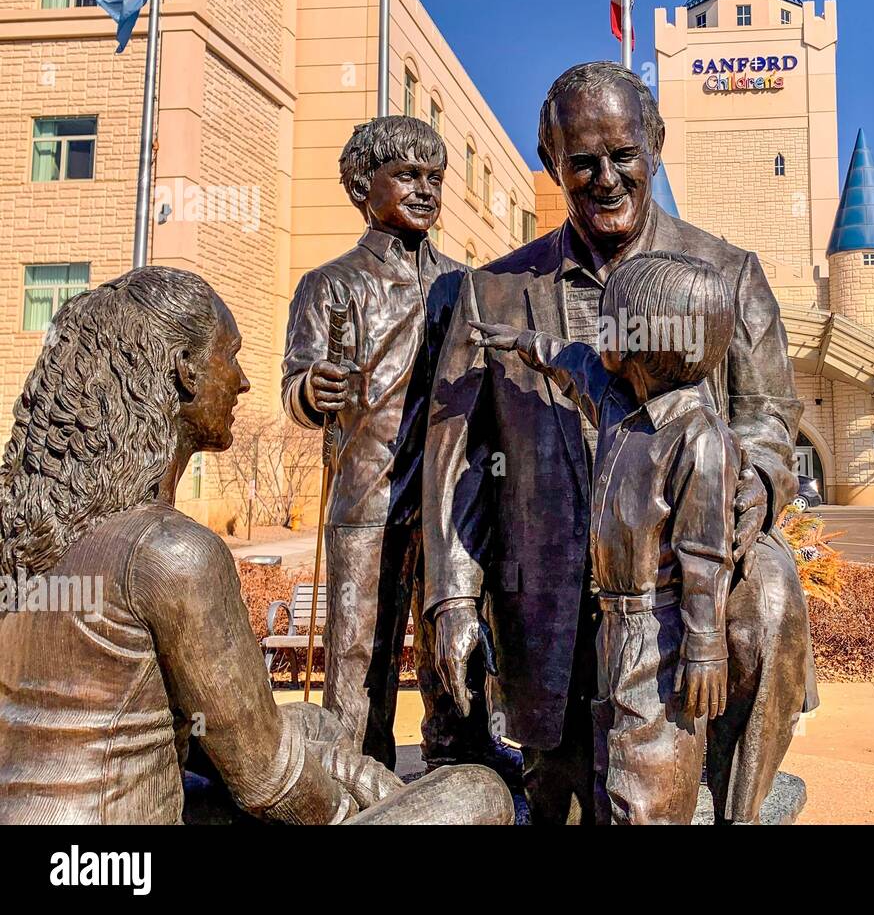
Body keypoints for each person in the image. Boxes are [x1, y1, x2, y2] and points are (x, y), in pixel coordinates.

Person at [425, 61, 818, 825]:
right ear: (552, 163)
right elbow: (456, 461)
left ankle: (733, 797)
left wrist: (754, 487)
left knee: (769, 592)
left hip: (687, 571)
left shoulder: (728, 274)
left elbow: (770, 416)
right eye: (581, 162)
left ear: (656, 143)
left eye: (624, 155)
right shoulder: (495, 292)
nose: (605, 178)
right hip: (550, 585)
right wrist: (451, 595)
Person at [0, 267, 511, 825]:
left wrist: (352, 773)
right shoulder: (170, 553)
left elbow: (201, 731)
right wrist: (372, 806)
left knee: (316, 726)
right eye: (230, 355)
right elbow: (269, 781)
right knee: (477, 793)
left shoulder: (32, 531)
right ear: (186, 372)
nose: (242, 381)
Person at [471, 252, 739, 824]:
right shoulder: (622, 408)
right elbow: (572, 363)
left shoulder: (699, 437)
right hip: (613, 624)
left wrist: (706, 644)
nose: (601, 332)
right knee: (610, 760)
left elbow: (706, 556)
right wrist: (521, 342)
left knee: (646, 775)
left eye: (615, 321)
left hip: (662, 631)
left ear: (659, 339)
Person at [282, 115, 486, 770]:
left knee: (452, 631)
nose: (425, 189)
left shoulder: (465, 284)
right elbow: (295, 383)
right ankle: (353, 763)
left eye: (435, 177)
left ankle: (460, 754)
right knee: (356, 644)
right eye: (406, 175)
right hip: (364, 492)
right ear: (362, 185)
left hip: (448, 496)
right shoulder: (330, 284)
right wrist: (315, 389)